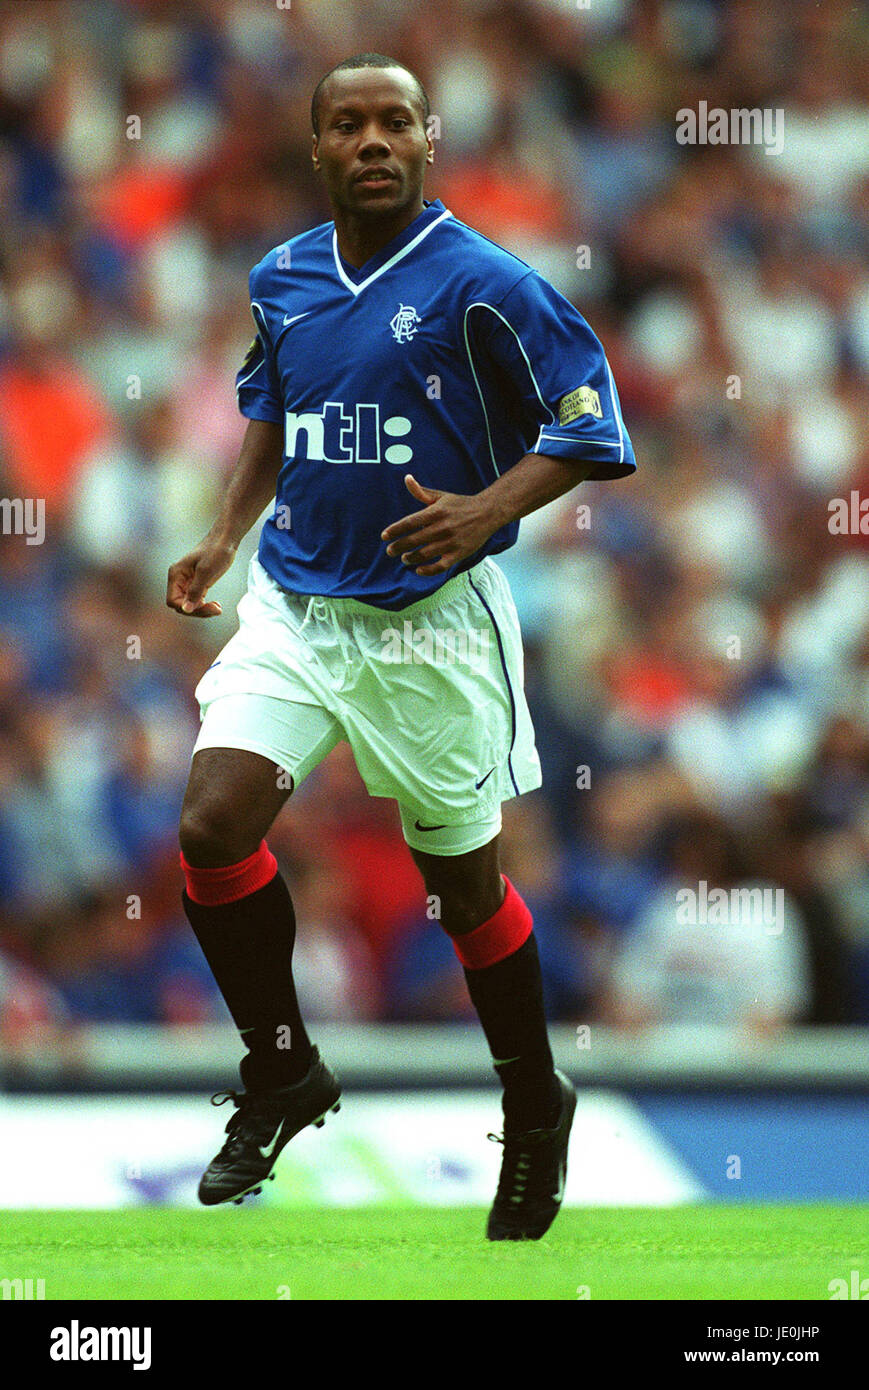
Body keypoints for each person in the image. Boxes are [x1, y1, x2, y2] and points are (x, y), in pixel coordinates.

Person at [167, 53, 635, 1241]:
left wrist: (488, 510)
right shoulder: (280, 277)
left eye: (393, 123)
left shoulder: (485, 280)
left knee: (461, 886)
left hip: (430, 628)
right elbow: (275, 413)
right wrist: (225, 535)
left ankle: (532, 1099)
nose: (371, 142)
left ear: (428, 139)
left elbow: (587, 423)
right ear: (317, 146)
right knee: (213, 825)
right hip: (297, 607)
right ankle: (280, 1069)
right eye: (347, 125)